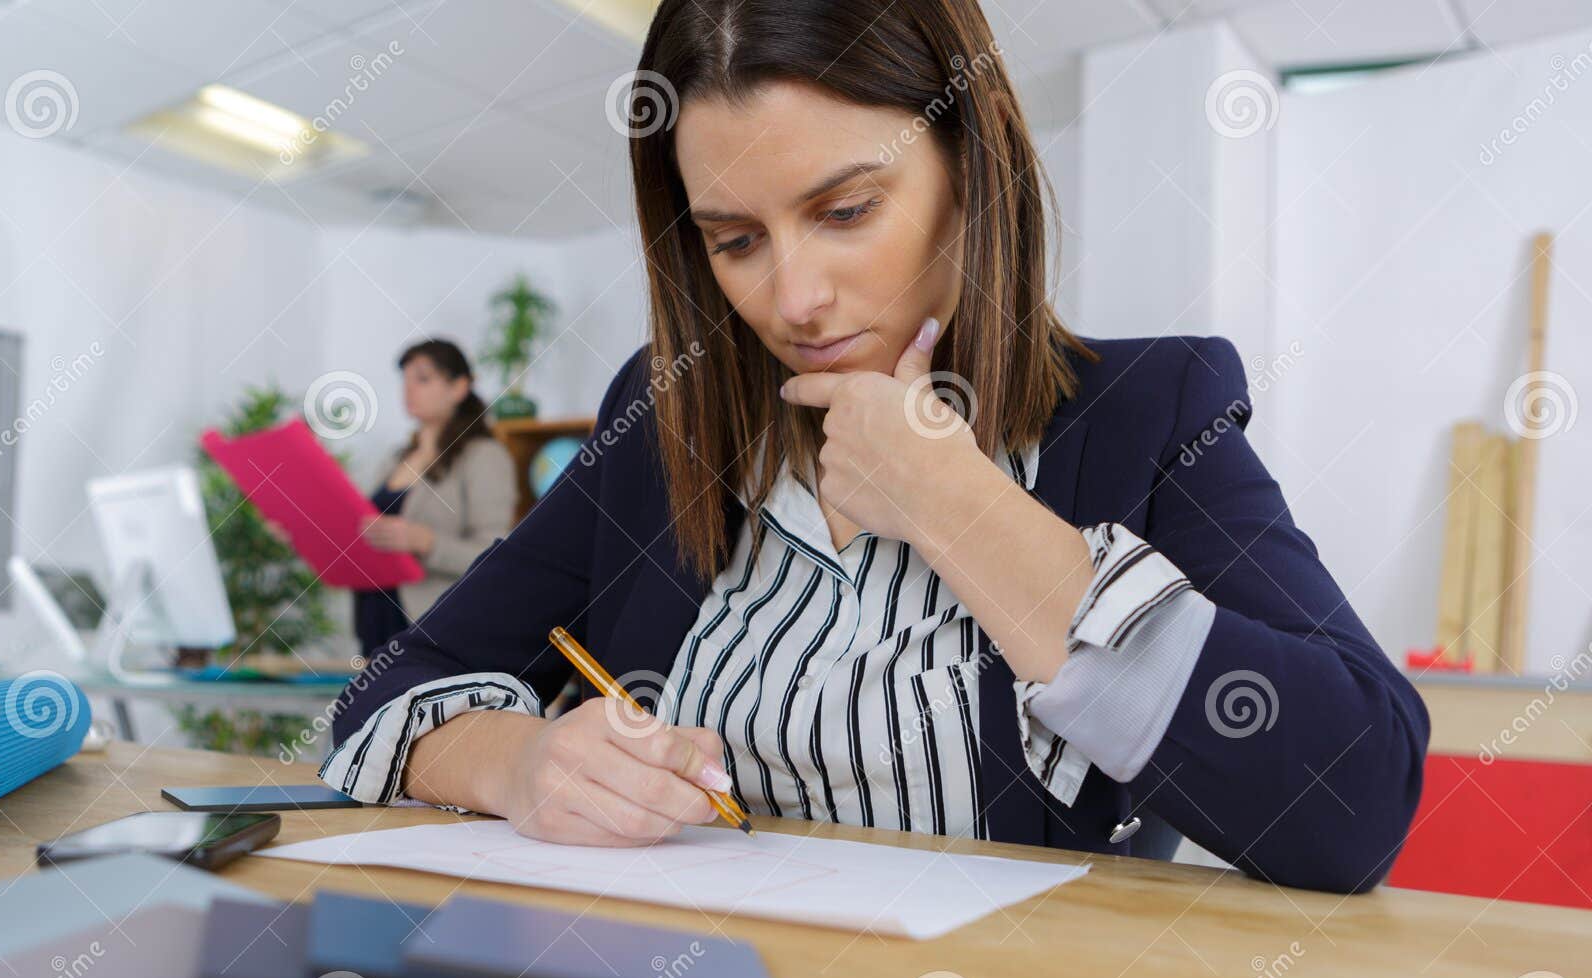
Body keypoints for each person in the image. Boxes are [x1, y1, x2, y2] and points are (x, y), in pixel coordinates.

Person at [319, 0, 1428, 895]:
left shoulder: (1144, 410)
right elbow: (384, 689)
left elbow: (1355, 803)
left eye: (846, 210)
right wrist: (518, 764)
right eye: (737, 241)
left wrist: (957, 504)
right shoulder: (662, 419)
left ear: (968, 168)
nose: (794, 298)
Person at [353, 339, 515, 656]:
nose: (409, 389)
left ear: (459, 387)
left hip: (433, 629)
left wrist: (427, 542)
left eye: (423, 379)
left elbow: (497, 558)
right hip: (374, 619)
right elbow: (366, 533)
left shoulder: (483, 456)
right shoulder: (395, 458)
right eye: (406, 379)